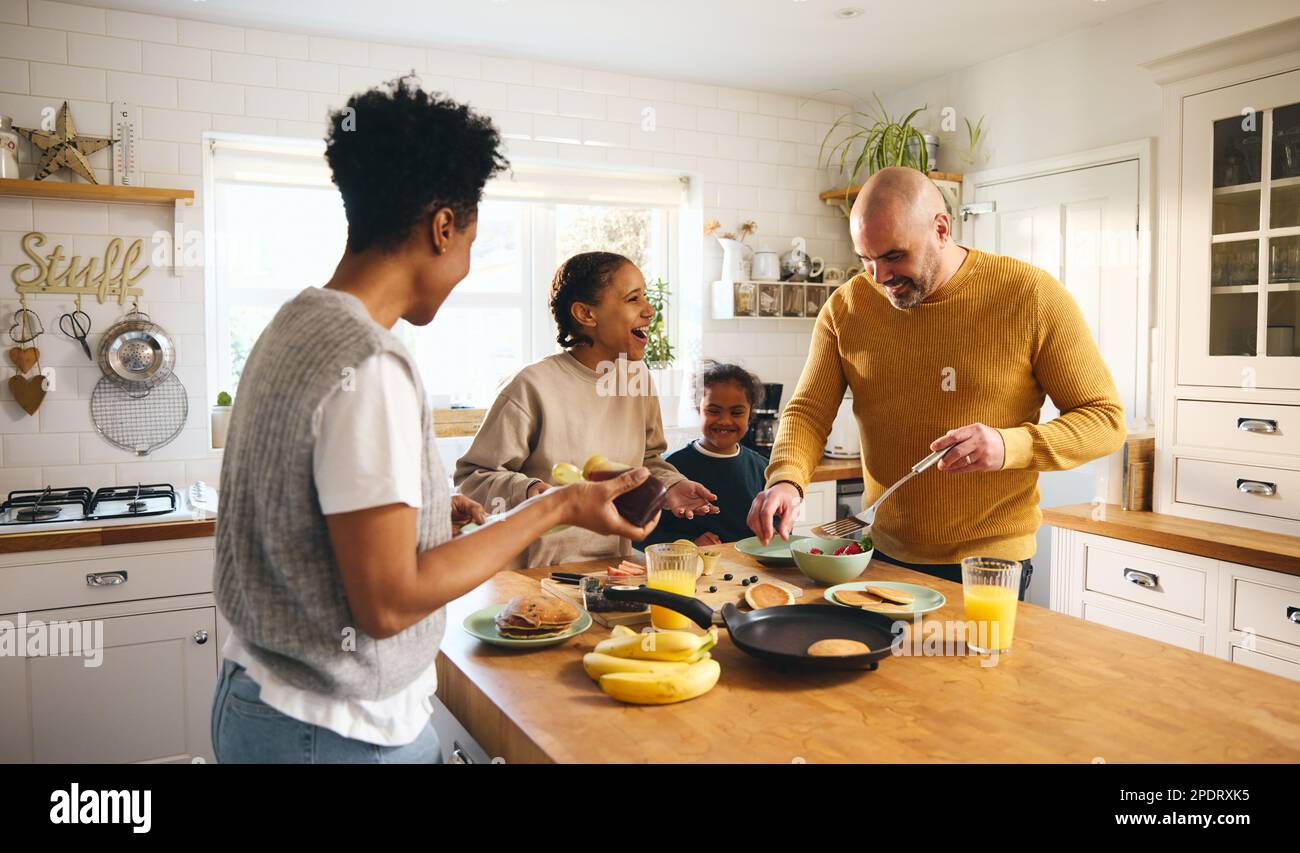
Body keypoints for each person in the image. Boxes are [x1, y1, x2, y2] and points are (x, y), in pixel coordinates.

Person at [212, 77, 662, 764]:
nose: (466, 266)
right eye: (471, 240)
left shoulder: (294, 323)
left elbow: (311, 520)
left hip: (258, 697)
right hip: (333, 728)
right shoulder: (371, 363)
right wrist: (561, 505)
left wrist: (425, 520)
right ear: (443, 227)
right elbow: (390, 604)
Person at [746, 166, 1126, 600]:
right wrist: (786, 480)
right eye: (865, 259)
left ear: (941, 229)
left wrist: (1009, 446)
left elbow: (1105, 420)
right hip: (882, 552)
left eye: (893, 256)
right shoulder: (847, 308)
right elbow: (808, 411)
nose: (878, 276)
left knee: (972, 667)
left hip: (988, 562)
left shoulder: (1030, 296)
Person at [454, 251, 718, 568]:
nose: (649, 310)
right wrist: (533, 491)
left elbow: (646, 459)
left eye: (645, 297)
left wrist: (670, 486)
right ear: (586, 314)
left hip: (613, 566)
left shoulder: (637, 378)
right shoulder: (531, 386)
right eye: (633, 299)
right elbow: (473, 479)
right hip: (536, 573)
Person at [639, 363, 768, 548]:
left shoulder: (763, 469)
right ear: (698, 408)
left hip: (748, 573)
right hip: (687, 572)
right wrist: (688, 544)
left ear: (750, 412)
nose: (725, 420)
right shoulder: (671, 471)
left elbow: (778, 532)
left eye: (737, 412)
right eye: (713, 411)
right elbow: (644, 534)